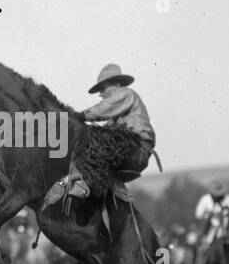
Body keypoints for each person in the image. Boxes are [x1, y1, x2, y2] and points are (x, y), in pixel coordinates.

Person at [45, 63, 156, 204]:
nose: (101, 94)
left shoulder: (126, 94)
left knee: (95, 139)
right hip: (132, 148)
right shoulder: (118, 114)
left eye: (103, 89)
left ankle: (83, 183)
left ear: (116, 84)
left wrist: (77, 116)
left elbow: (101, 110)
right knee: (92, 140)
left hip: (137, 148)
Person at [193, 180, 229, 264]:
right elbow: (198, 214)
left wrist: (225, 213)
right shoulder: (205, 199)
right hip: (210, 227)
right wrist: (209, 213)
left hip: (225, 226)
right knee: (203, 246)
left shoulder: (227, 198)